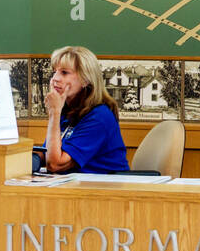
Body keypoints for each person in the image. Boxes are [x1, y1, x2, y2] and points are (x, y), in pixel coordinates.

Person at [32, 45, 129, 174]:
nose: (55, 78)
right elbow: (47, 153)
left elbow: (55, 164)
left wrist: (54, 113)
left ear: (85, 79)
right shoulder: (67, 110)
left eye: (64, 72)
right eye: (54, 72)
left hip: (104, 189)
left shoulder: (99, 117)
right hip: (77, 186)